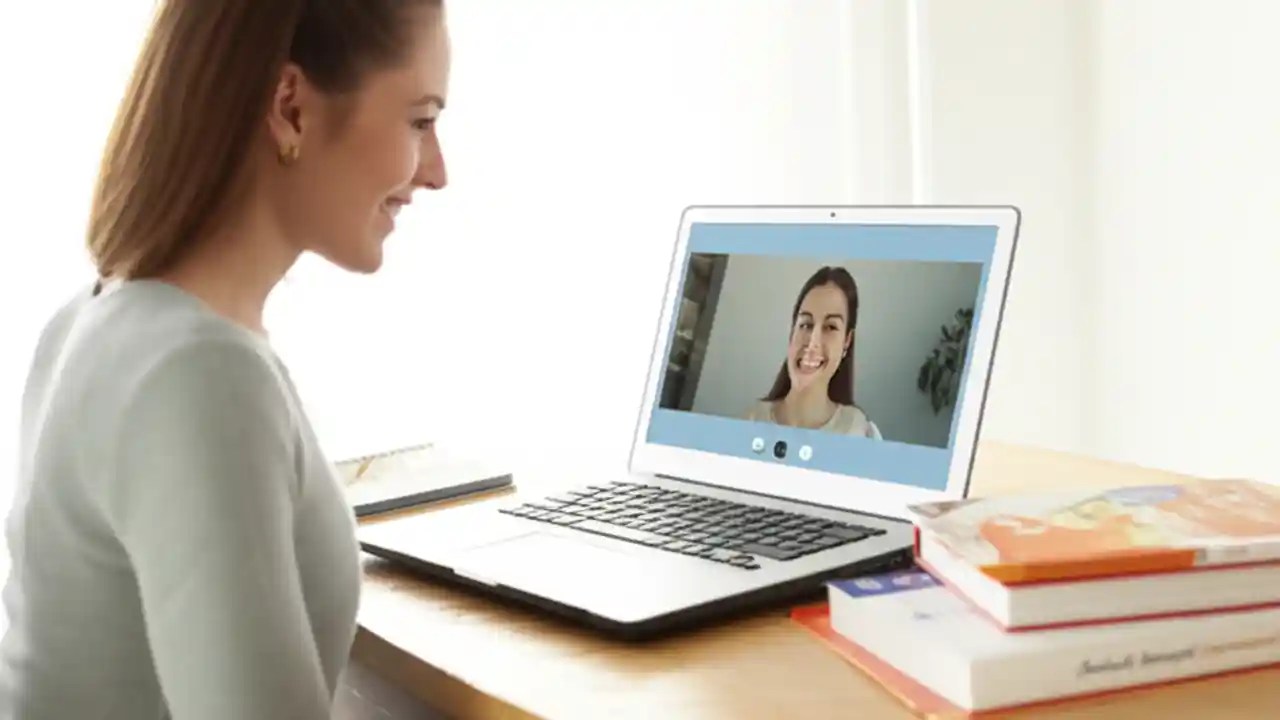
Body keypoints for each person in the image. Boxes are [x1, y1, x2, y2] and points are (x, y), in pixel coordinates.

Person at [0, 1, 449, 718]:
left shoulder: (94, 315)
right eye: (420, 122)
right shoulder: (200, 377)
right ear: (291, 107)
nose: (437, 171)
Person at [744, 266, 882, 439]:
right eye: (806, 324)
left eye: (830, 327)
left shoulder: (860, 433)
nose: (812, 342)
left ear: (847, 341)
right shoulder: (750, 421)